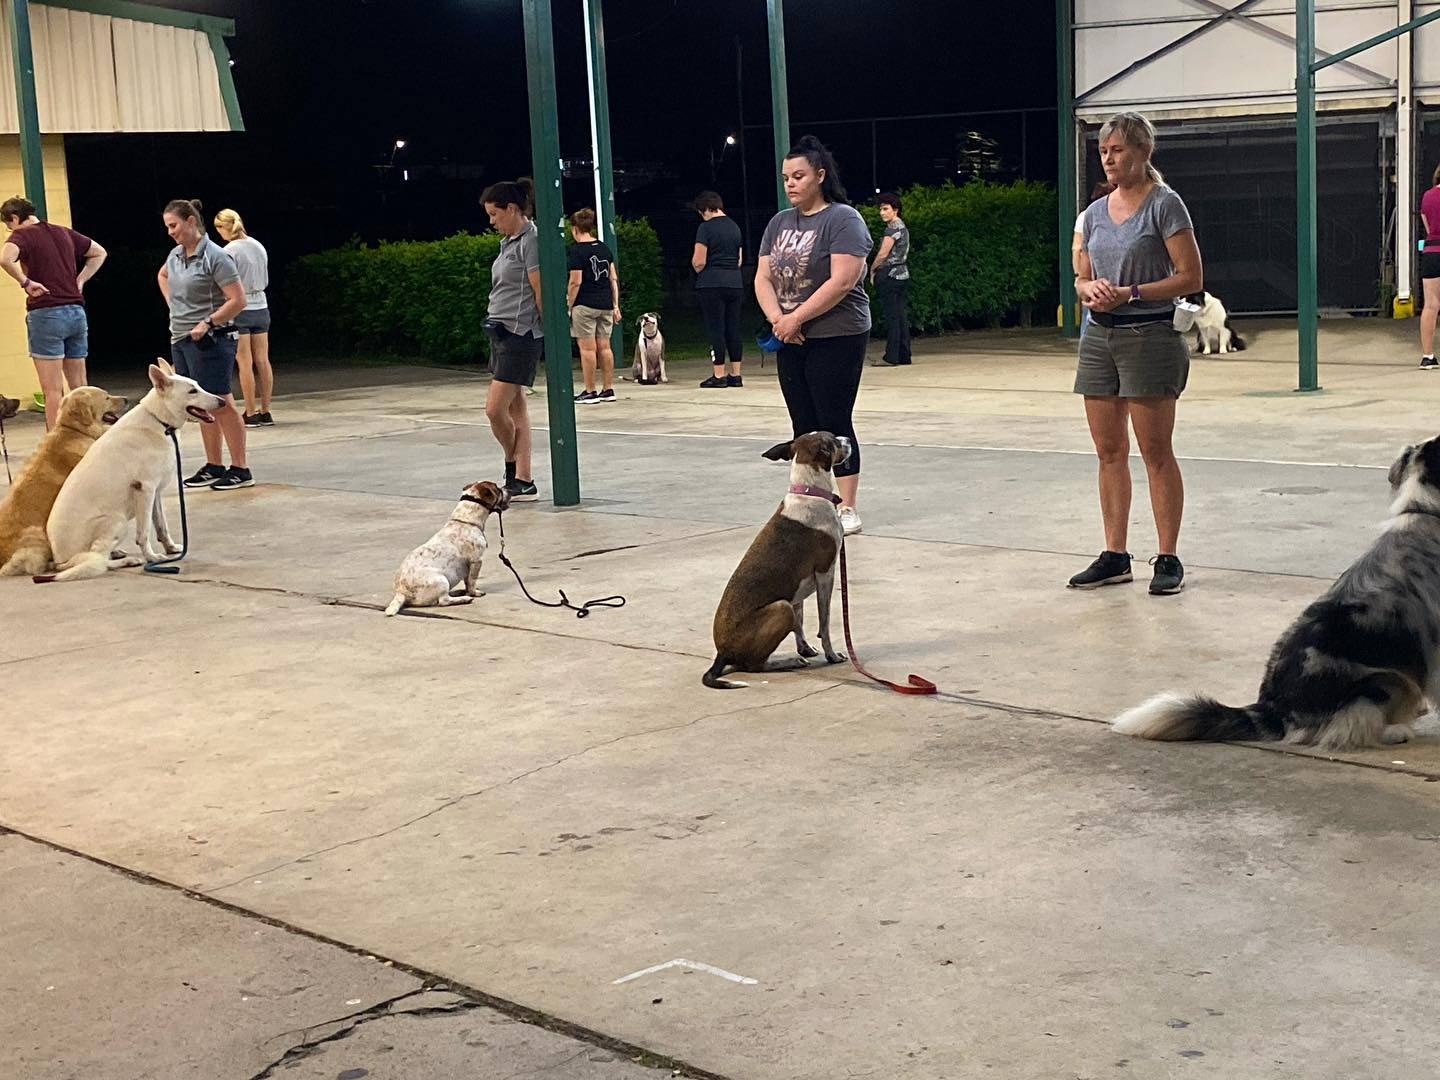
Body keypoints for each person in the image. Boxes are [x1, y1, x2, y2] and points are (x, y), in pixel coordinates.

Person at [1072, 112, 1202, 595]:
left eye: (1118, 150)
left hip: (1149, 335)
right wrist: (1090, 290)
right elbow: (1081, 273)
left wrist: (1132, 293)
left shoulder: (1165, 205)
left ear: (1144, 152)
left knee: (1155, 452)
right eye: (1103, 151)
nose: (1108, 158)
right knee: (1109, 452)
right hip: (1099, 337)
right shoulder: (1094, 213)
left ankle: (1167, 557)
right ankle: (1114, 554)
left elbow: (1191, 277)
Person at [755, 135, 873, 536]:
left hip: (836, 334)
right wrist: (778, 319)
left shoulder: (843, 219)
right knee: (802, 424)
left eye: (799, 176)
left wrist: (797, 318)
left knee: (833, 418)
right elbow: (763, 276)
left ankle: (848, 506)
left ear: (820, 176)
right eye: (785, 177)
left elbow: (843, 281)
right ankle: (809, 499)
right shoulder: (778, 223)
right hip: (791, 336)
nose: (790, 184)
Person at [157, 198, 253, 490]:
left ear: (190, 221)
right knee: (199, 404)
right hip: (181, 337)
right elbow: (162, 275)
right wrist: (174, 304)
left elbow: (238, 300)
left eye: (174, 225)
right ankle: (214, 464)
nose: (171, 231)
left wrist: (208, 322)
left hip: (210, 340)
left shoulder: (216, 256)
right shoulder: (175, 255)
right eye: (167, 227)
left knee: (220, 401)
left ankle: (241, 468)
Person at [0, 196, 107, 431]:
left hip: (46, 313)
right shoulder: (63, 232)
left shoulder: (22, 235)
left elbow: (5, 258)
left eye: (8, 224)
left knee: (52, 391)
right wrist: (80, 280)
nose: (9, 229)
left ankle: (55, 444)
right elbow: (99, 252)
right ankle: (90, 437)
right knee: (80, 386)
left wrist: (25, 281)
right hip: (76, 313)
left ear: (15, 218)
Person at [481, 178, 542, 501]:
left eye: (495, 214)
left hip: (521, 334)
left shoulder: (531, 241)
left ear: (512, 209)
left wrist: (553, 335)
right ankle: (523, 477)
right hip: (500, 331)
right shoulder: (509, 241)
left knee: (494, 409)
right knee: (517, 407)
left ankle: (512, 460)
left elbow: (540, 289)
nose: (492, 221)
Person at [213, 208, 275, 424]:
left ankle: (250, 411)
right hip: (262, 305)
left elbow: (225, 283)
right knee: (263, 360)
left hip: (241, 308)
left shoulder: (229, 251)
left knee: (245, 362)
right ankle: (266, 409)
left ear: (223, 228)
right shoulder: (258, 246)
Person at [566, 208, 621, 405]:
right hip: (605, 303)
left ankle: (590, 390)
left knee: (587, 348)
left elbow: (576, 281)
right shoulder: (604, 248)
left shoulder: (576, 251)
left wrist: (568, 304)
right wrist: (615, 305)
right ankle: (608, 388)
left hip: (585, 304)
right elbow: (612, 278)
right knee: (605, 346)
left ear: (574, 229)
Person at [692, 191, 745, 388]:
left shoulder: (705, 228)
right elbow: (739, 260)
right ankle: (736, 374)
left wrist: (698, 268)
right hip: (735, 282)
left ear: (705, 209)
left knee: (716, 328)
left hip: (711, 283)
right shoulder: (735, 227)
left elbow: (699, 261)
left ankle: (719, 374)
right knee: (733, 327)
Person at [869, 192, 911, 366]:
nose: (882, 213)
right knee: (901, 316)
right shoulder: (903, 227)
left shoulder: (892, 229)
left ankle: (891, 356)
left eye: (886, 209)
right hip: (902, 274)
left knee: (892, 317)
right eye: (881, 209)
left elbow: (883, 253)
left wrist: (872, 269)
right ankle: (904, 355)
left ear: (895, 210)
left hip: (889, 275)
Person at [1071, 182, 1115, 333]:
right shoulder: (1109, 214)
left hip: (1089, 281)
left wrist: (1080, 277)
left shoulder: (1084, 215)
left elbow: (1076, 248)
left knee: (1088, 317)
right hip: (1109, 280)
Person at [1419, 166, 1440, 370]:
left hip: (1432, 252)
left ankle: (1427, 356)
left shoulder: (1427, 196)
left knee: (1431, 305)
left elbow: (1427, 226)